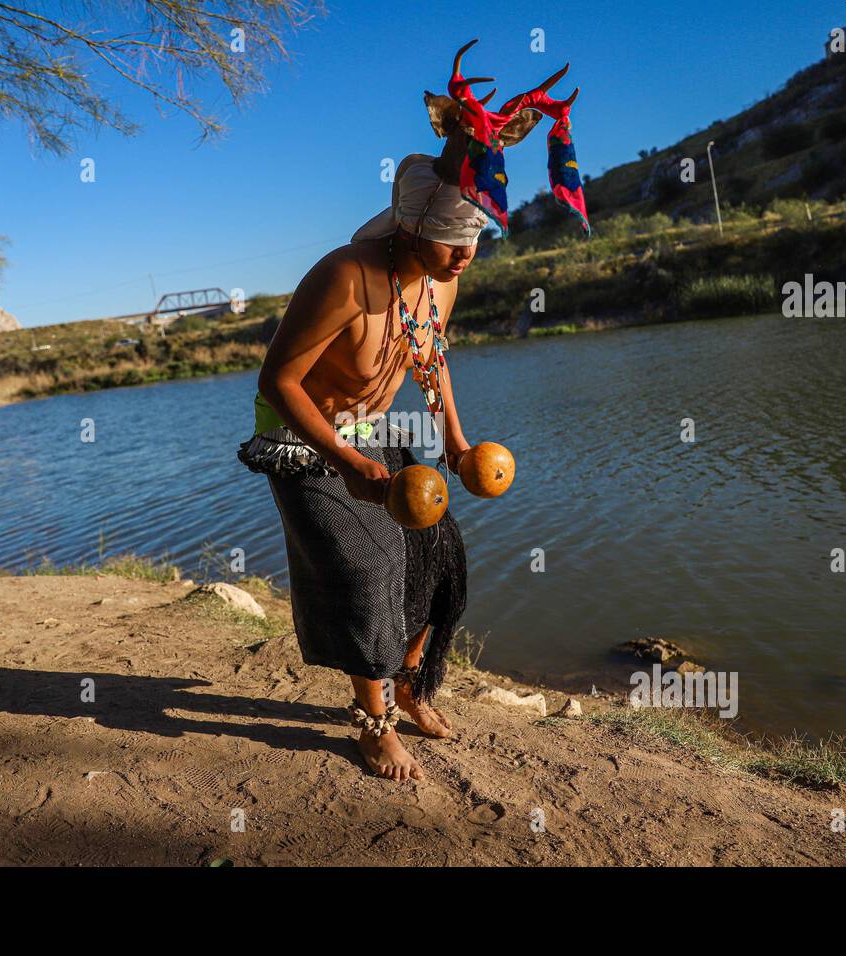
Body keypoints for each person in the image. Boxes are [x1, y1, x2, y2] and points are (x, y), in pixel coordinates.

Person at [238, 43, 589, 782]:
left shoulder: (442, 281)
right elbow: (279, 380)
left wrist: (457, 447)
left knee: (439, 562)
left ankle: (411, 684)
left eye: (473, 242)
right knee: (370, 568)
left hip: (378, 433)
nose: (463, 258)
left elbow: (430, 359)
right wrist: (351, 462)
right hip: (304, 440)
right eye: (448, 242)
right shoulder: (345, 274)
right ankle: (373, 724)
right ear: (407, 228)